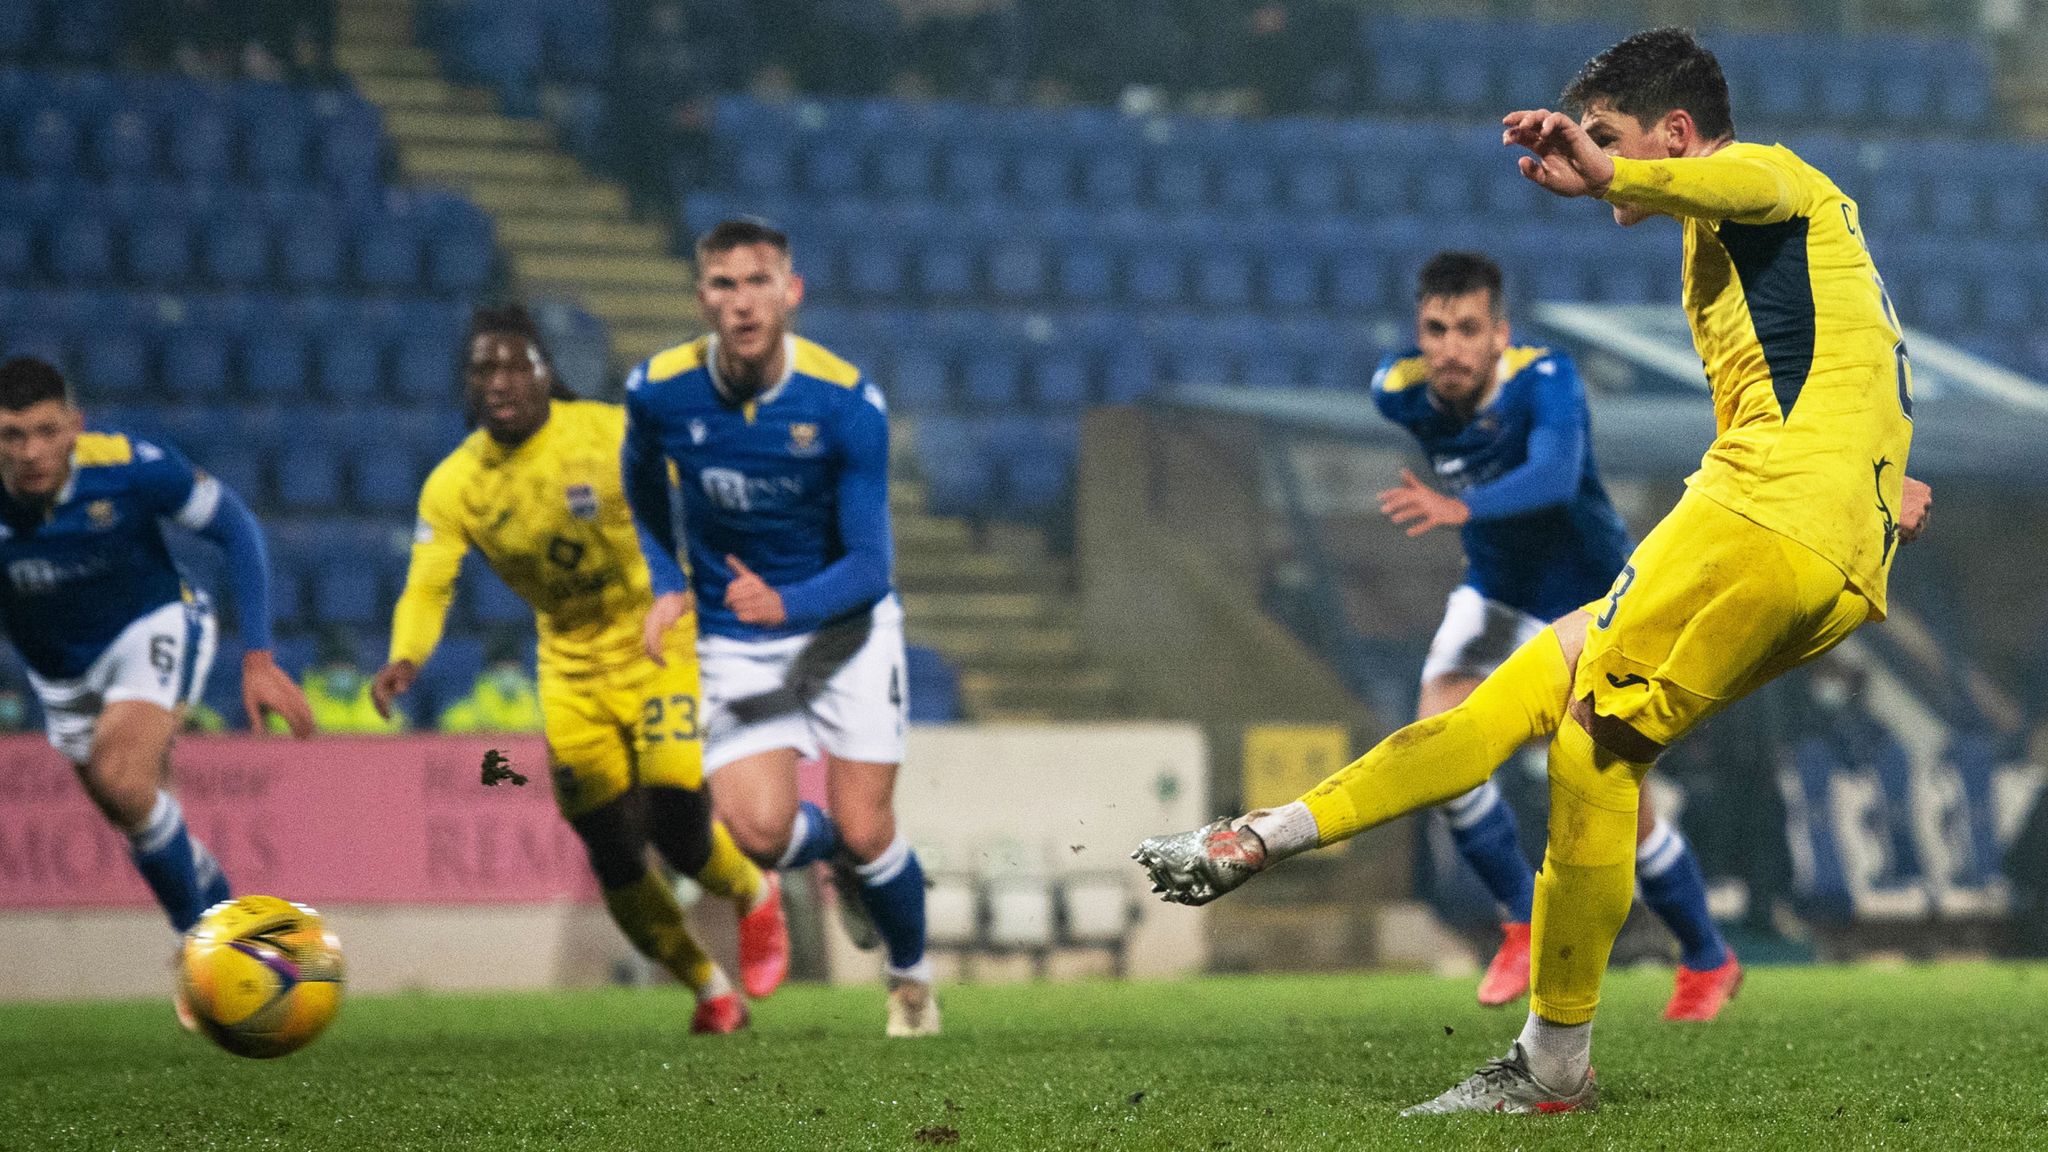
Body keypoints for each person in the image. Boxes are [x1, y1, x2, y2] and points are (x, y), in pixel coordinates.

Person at [1134, 27, 1933, 1114]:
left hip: (1760, 514)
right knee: (1512, 702)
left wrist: (1617, 170)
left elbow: (1746, 177)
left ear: (1674, 134)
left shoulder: (1773, 182)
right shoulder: (1773, 251)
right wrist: (1881, 491)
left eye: (1607, 136)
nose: (1590, 161)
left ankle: (1550, 1067)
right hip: (1827, 548)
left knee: (1592, 760)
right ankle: (1258, 836)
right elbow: (1856, 362)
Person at [371, 305, 789, 1035]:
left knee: (678, 826)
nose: (499, 381)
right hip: (569, 667)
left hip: (655, 642)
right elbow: (428, 582)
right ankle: (710, 990)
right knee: (611, 847)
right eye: (483, 369)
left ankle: (754, 891)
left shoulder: (605, 432)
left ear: (545, 373)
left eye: (515, 365)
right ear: (467, 386)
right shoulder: (455, 485)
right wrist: (407, 655)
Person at [1371, 250, 1739, 1019]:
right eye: (1435, 329)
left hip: (1592, 601)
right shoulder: (1398, 391)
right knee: (1438, 741)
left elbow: (1556, 474)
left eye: (1469, 328)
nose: (1450, 347)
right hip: (1498, 595)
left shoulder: (1549, 378)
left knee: (1615, 798)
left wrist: (1459, 508)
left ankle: (1707, 958)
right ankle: (1518, 923)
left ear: (1500, 333)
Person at [624, 218, 937, 1037]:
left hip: (845, 630)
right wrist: (666, 583)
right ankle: (833, 853)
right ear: (702, 300)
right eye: (723, 285)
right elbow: (641, 485)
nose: (741, 301)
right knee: (755, 831)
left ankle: (910, 978)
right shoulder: (657, 390)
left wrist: (789, 604)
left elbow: (872, 565)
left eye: (758, 280)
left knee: (872, 830)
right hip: (735, 637)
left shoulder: (845, 403)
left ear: (790, 293)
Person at [0, 357, 314, 961]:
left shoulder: (129, 468)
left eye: (46, 431)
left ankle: (208, 953)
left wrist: (258, 657)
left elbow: (237, 528)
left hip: (154, 624)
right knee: (134, 811)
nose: (32, 452)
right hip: (61, 672)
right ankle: (219, 923)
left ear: (74, 427)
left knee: (122, 777)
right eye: (14, 435)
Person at [298, 629, 406, 734]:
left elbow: (397, 729)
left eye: (347, 664)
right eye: (336, 664)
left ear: (356, 667)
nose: (342, 669)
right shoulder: (304, 699)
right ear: (324, 668)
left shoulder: (376, 695)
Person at [437, 632, 545, 734]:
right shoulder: (462, 716)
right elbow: (449, 724)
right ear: (489, 670)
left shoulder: (541, 713)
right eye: (502, 666)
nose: (508, 671)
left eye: (513, 665)